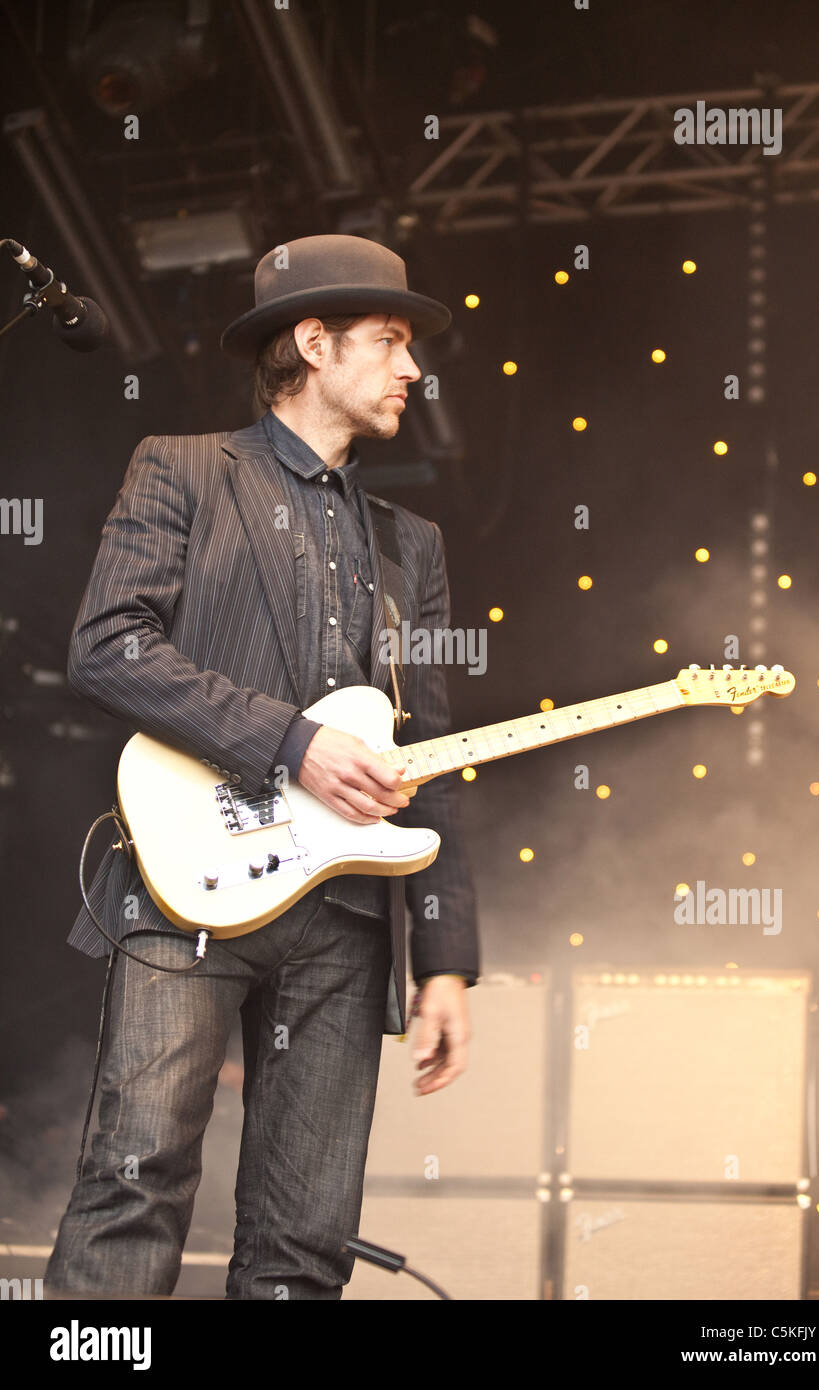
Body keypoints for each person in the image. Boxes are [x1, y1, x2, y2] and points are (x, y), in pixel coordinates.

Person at [45, 234, 480, 1300]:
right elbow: (108, 645)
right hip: (185, 884)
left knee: (305, 1241)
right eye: (390, 342)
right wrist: (293, 742)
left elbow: (431, 754)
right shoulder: (185, 469)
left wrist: (446, 957)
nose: (411, 370)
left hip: (343, 920)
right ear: (312, 340)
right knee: (132, 1181)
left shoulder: (409, 544)